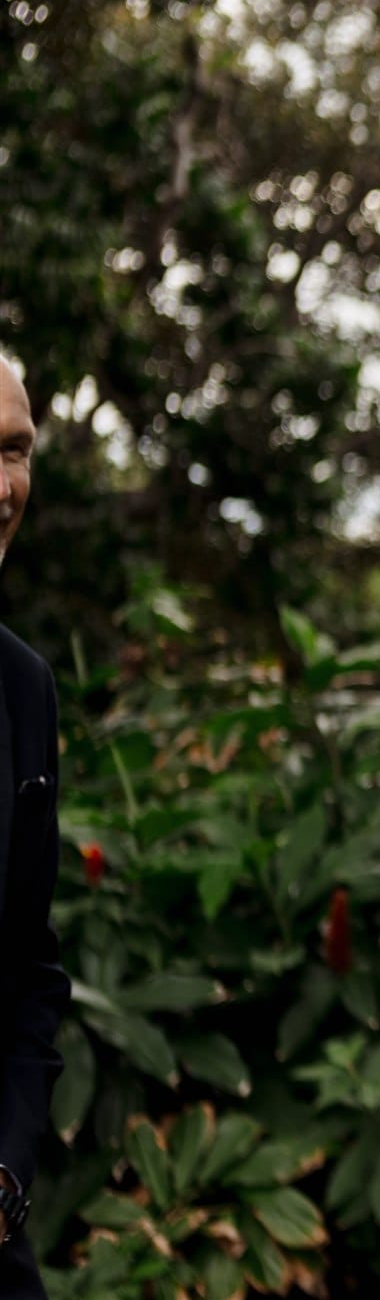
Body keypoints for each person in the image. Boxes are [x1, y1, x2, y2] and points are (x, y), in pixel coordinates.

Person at [0, 356, 68, 1300]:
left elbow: (28, 968)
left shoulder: (24, 688)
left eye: (15, 451)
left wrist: (6, 1176)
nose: (1, 486)